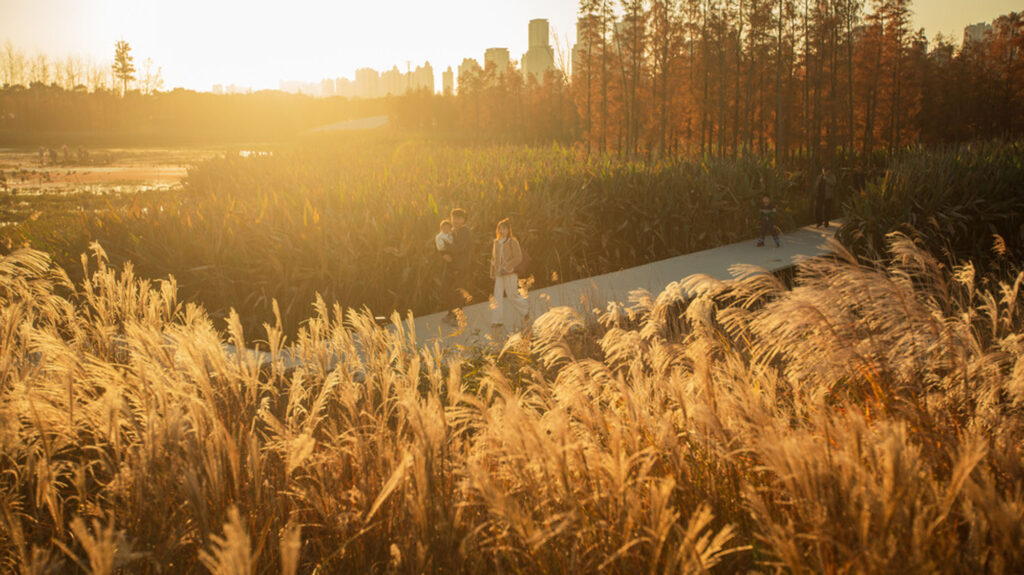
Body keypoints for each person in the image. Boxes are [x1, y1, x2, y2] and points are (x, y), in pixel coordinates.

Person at [489, 218, 529, 327]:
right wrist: (492, 272)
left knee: (512, 295)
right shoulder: (496, 243)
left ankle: (525, 309)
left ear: (508, 230)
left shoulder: (513, 241)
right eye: (499, 229)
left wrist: (507, 267)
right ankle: (497, 321)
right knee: (497, 296)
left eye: (504, 229)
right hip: (499, 274)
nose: (501, 231)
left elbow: (518, 257)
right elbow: (493, 259)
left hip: (510, 272)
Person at [445, 208, 473, 325]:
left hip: (461, 266)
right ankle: (452, 313)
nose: (455, 220)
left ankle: (458, 317)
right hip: (452, 266)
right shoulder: (451, 232)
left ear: (463, 220)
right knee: (450, 291)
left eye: (458, 218)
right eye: (453, 218)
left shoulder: (464, 232)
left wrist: (446, 244)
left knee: (458, 291)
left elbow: (458, 248)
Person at [435, 219, 454, 309]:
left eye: (448, 227)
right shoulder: (440, 237)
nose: (446, 229)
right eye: (444, 227)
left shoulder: (451, 234)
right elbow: (442, 247)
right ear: (441, 228)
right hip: (445, 254)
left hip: (452, 253)